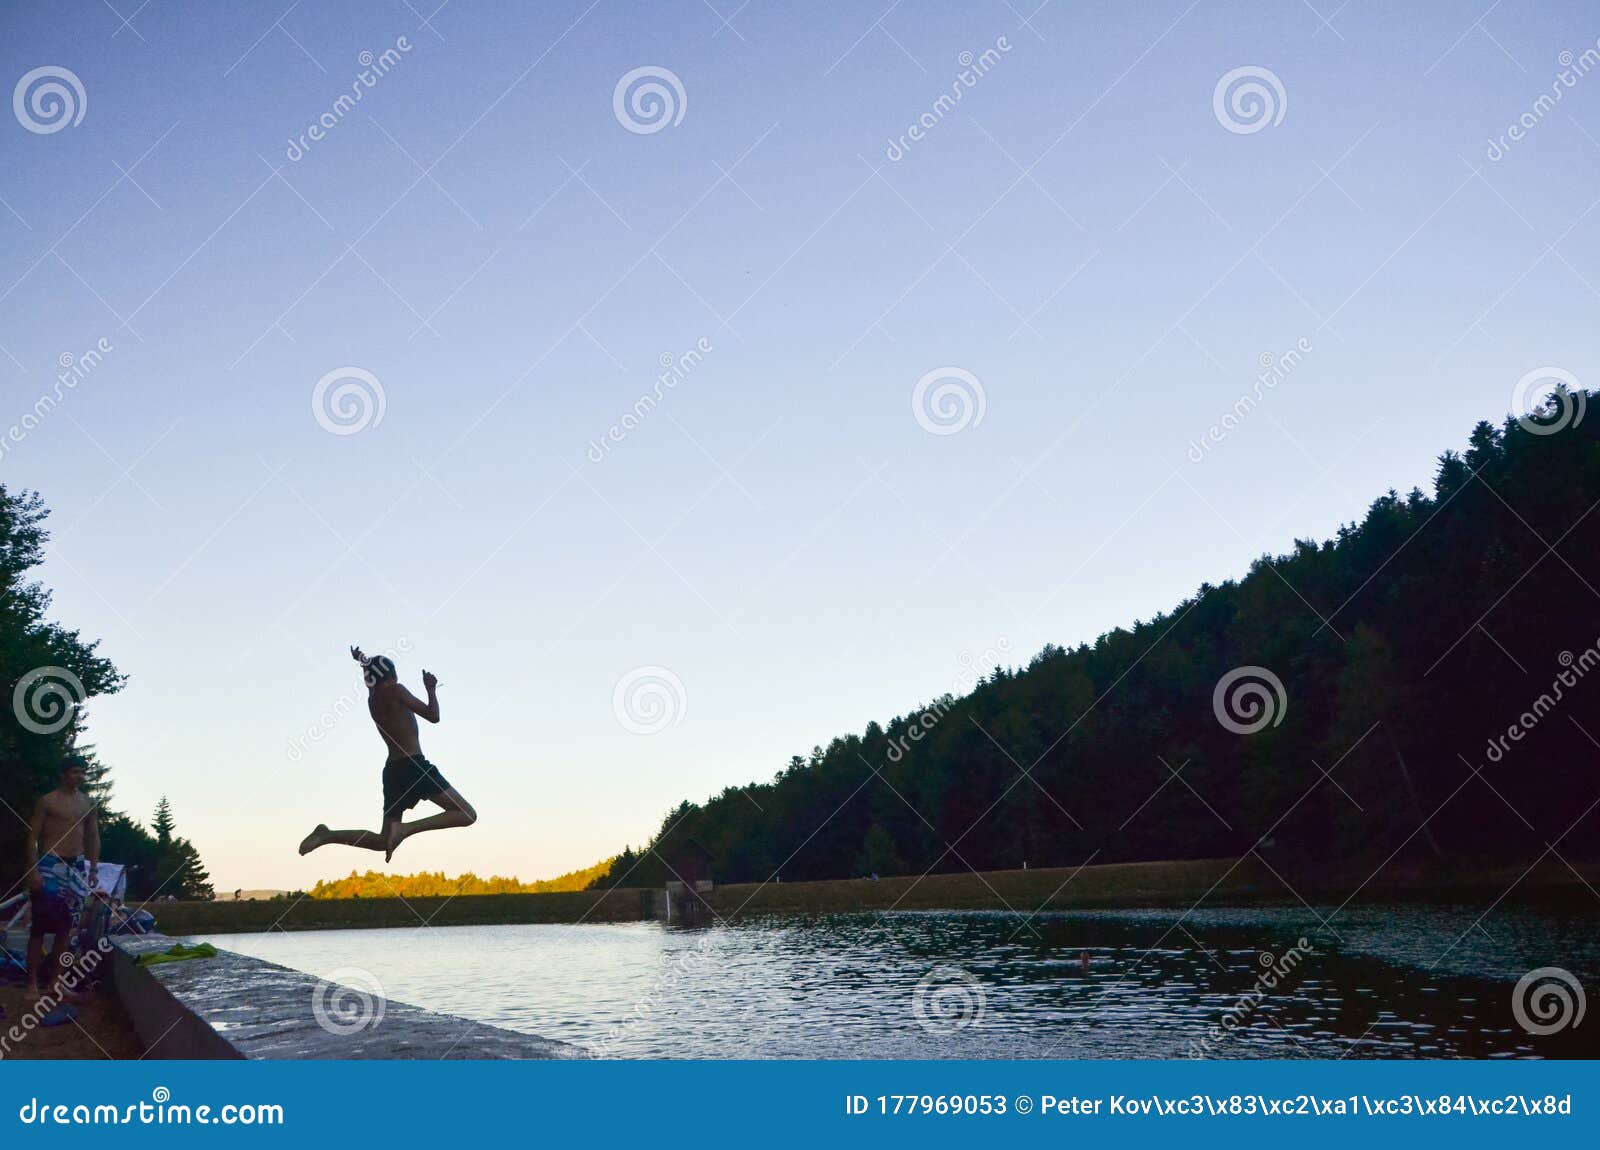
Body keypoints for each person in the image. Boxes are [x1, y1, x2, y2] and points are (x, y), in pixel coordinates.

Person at [298, 646, 477, 862]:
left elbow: (373, 674)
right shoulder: (397, 690)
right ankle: (406, 829)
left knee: (383, 840)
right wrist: (431, 689)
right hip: (414, 766)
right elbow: (433, 716)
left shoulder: (372, 700)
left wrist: (362, 660)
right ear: (391, 674)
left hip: (393, 772)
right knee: (467, 814)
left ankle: (327, 835)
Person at [25, 757, 98, 1002]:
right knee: (39, 925)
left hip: (76, 866)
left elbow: (93, 836)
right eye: (75, 772)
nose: (80, 776)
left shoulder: (87, 802)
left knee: (66, 927)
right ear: (63, 774)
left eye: (83, 772)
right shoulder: (47, 801)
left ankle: (56, 982)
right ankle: (32, 983)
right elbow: (32, 837)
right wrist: (33, 870)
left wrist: (93, 868)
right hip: (50, 863)